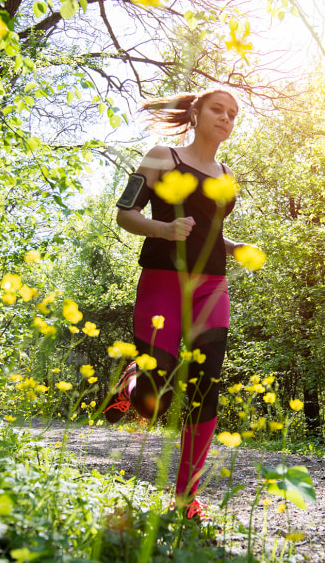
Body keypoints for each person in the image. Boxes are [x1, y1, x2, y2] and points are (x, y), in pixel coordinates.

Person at [107, 88, 250, 521]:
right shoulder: (160, 156)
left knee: (206, 388)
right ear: (196, 112)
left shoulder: (227, 174)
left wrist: (233, 245)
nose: (225, 118)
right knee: (158, 400)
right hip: (163, 280)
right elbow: (124, 215)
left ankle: (186, 498)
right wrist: (164, 230)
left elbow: (207, 232)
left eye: (233, 113)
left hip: (212, 286)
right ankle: (133, 379)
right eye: (217, 109)